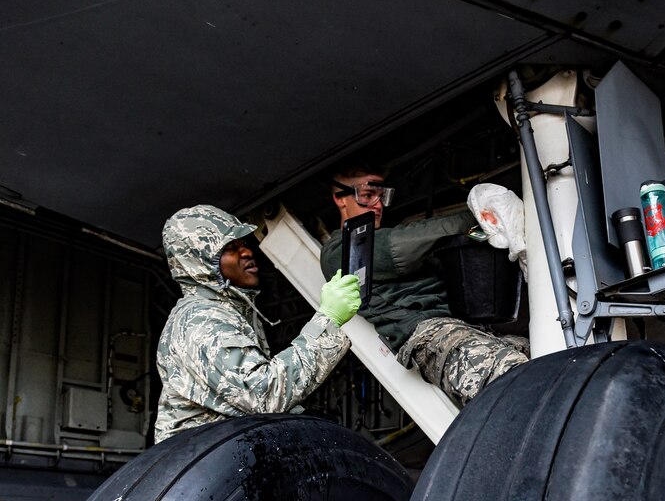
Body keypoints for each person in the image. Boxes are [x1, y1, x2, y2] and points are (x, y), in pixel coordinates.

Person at [320, 163, 528, 406]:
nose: (377, 204)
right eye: (367, 195)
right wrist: (483, 216)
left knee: (549, 360)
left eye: (382, 196)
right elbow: (403, 246)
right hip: (433, 335)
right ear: (340, 198)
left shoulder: (386, 241)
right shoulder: (342, 251)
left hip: (470, 326)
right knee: (514, 382)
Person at [155, 204, 361, 442]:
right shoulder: (200, 320)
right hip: (202, 458)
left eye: (242, 243)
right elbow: (264, 395)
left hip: (225, 453)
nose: (246, 252)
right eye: (230, 248)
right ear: (200, 264)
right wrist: (329, 320)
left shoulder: (228, 311)